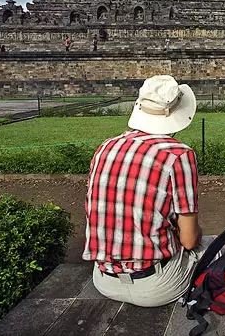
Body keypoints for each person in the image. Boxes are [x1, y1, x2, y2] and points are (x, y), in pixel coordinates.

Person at [83, 75, 210, 307]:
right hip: (156, 285)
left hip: (102, 279)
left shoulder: (105, 148)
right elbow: (189, 240)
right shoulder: (178, 155)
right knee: (217, 248)